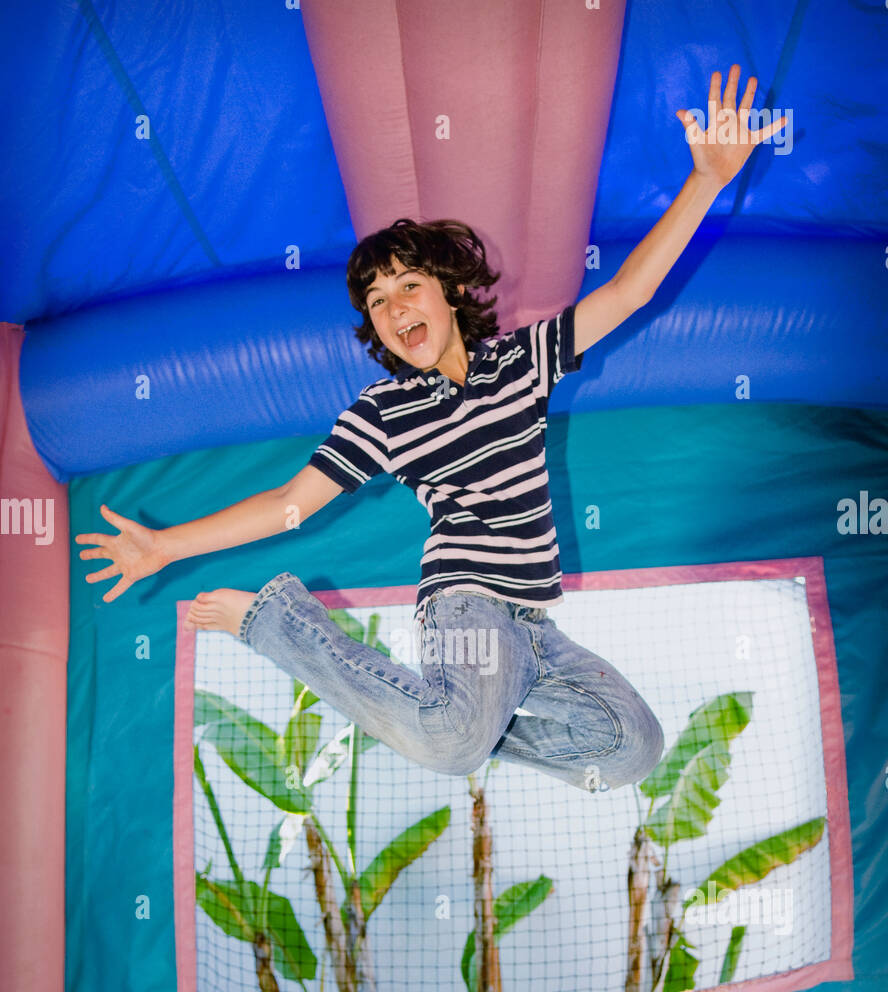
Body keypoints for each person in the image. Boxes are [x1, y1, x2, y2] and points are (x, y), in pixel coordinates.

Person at [77, 67, 783, 792]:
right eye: (378, 301)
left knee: (632, 749)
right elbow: (291, 501)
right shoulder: (383, 412)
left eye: (408, 285)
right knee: (450, 747)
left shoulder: (521, 363)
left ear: (449, 292)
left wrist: (706, 180)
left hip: (537, 627)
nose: (394, 307)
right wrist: (162, 545)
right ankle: (276, 624)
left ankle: (455, 723)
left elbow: (629, 290)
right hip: (467, 603)